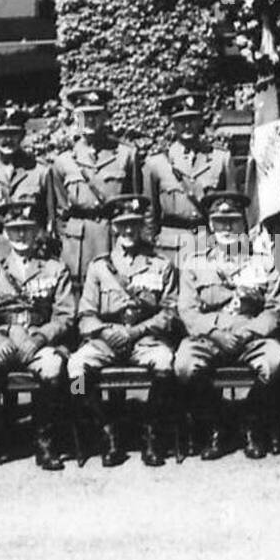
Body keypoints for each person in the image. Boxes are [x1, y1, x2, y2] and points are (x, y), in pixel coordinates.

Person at [67, 194, 179, 467]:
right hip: (107, 339)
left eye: (134, 224)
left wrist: (136, 332)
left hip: (145, 339)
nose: (128, 230)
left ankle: (151, 431)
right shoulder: (99, 266)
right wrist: (106, 332)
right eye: (122, 224)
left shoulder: (160, 264)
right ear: (114, 227)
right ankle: (105, 429)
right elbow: (85, 314)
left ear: (142, 226)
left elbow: (169, 312)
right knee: (75, 371)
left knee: (165, 364)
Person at [174, 191, 280, 461]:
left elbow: (276, 307)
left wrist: (249, 332)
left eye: (233, 221)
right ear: (211, 225)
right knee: (184, 366)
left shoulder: (263, 261)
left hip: (251, 335)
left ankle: (252, 422)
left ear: (243, 224)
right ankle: (218, 424)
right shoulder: (195, 262)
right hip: (209, 338)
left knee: (275, 362)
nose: (226, 227)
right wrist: (214, 332)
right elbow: (187, 310)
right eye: (220, 221)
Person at [0, 197, 75, 473]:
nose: (22, 235)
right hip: (1, 341)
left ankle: (45, 442)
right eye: (15, 229)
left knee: (53, 366)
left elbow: (65, 316)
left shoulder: (54, 268)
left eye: (27, 228)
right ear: (5, 233)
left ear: (38, 230)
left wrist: (40, 338)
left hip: (37, 341)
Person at [51, 86, 140, 285]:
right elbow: (60, 212)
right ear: (76, 119)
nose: (90, 121)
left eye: (95, 115)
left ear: (105, 117)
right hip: (78, 243)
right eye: (84, 115)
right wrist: (70, 240)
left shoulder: (125, 155)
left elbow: (136, 203)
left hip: (113, 236)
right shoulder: (63, 161)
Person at [143, 86, 235, 270]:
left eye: (192, 120)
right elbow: (149, 215)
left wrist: (235, 251)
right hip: (170, 246)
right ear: (172, 123)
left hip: (209, 243)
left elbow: (234, 211)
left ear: (200, 121)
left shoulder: (220, 159)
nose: (187, 126)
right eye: (181, 120)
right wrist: (147, 254)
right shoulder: (157, 164)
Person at [0, 106, 54, 272]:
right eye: (1, 134)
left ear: (22, 135)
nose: (7, 140)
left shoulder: (40, 172)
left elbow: (50, 220)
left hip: (31, 252)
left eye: (13, 134)